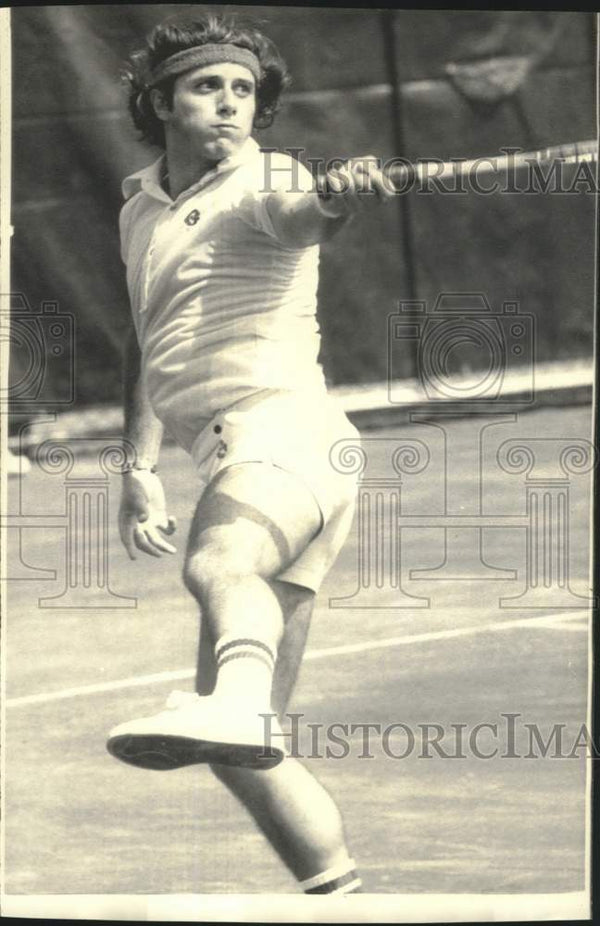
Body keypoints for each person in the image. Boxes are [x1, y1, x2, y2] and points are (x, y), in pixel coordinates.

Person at [107, 15, 393, 894]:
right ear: (161, 102)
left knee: (219, 559)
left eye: (243, 90)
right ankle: (340, 894)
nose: (231, 104)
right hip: (251, 452)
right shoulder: (139, 209)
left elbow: (303, 218)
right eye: (207, 87)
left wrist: (338, 198)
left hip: (284, 430)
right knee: (244, 745)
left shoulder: (269, 177)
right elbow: (150, 341)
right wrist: (138, 468)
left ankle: (233, 699)